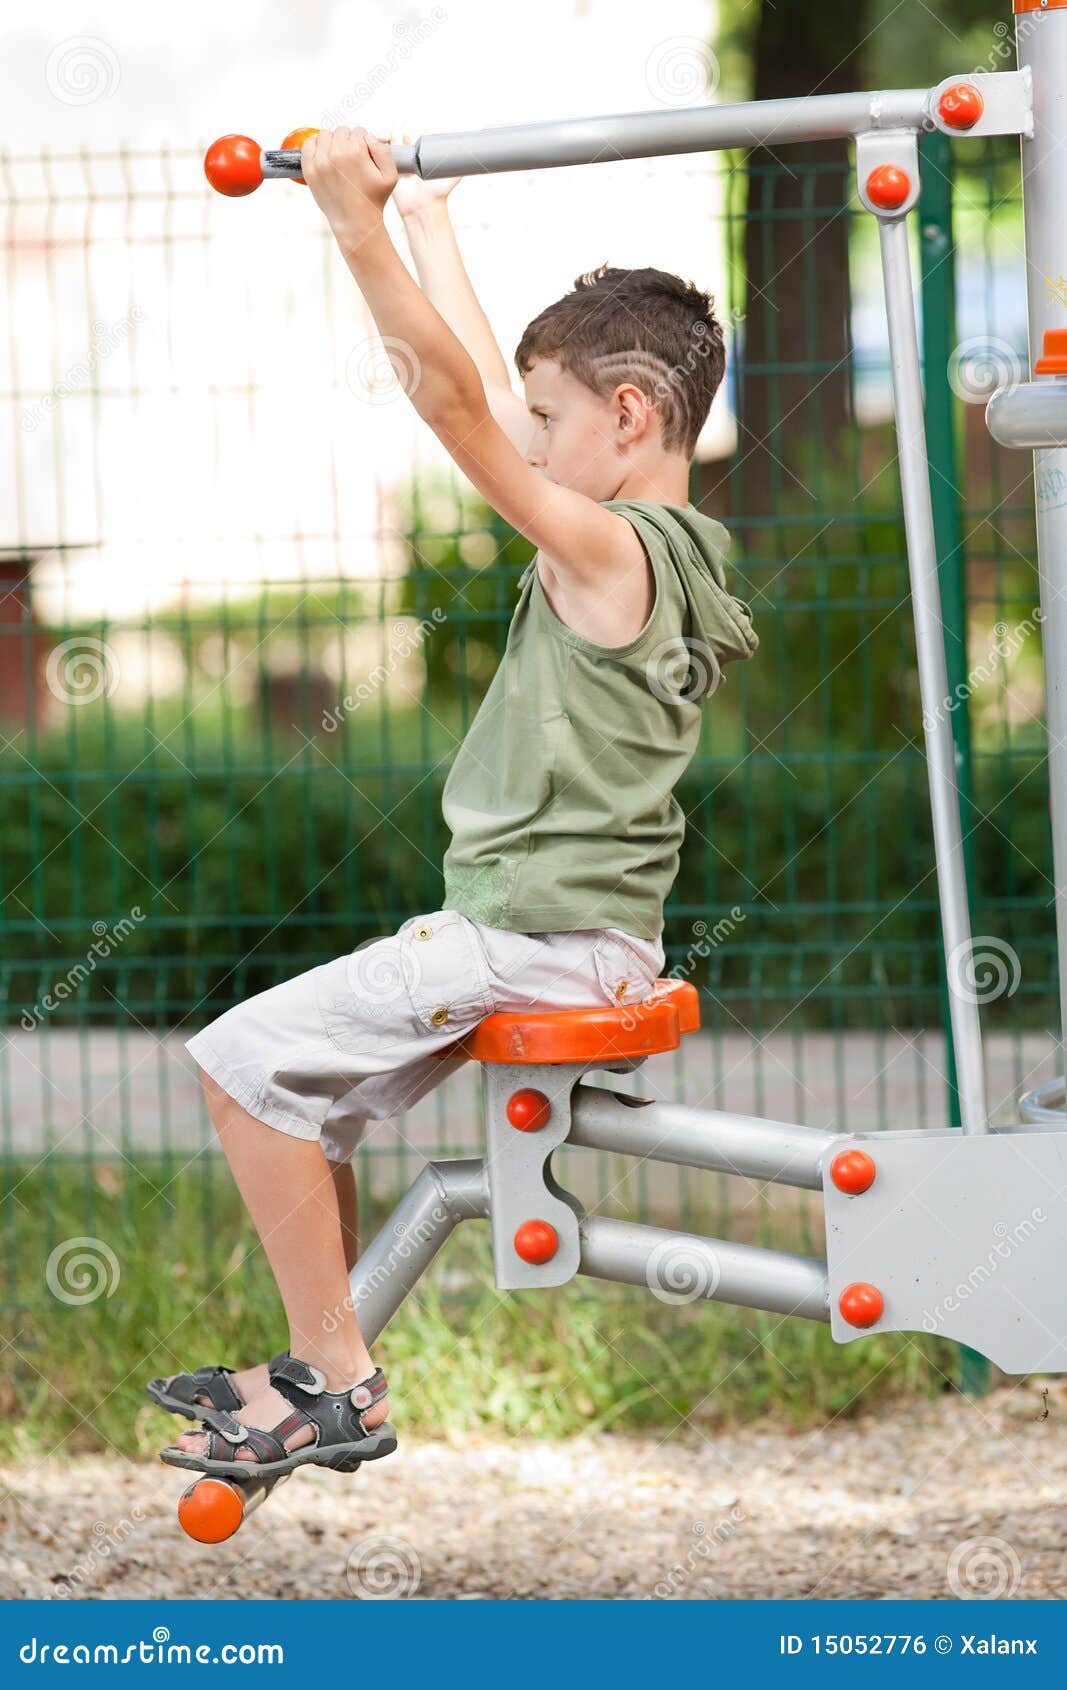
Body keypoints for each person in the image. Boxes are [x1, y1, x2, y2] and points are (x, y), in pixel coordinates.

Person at [152, 126, 758, 1480]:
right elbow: (492, 393)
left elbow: (455, 407)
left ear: (633, 418)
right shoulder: (680, 549)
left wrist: (352, 226)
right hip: (580, 930)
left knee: (239, 1064)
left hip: (524, 935)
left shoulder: (606, 552)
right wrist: (428, 221)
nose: (531, 444)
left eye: (555, 422)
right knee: (309, 1097)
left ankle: (339, 1383)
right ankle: (324, 1364)